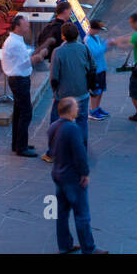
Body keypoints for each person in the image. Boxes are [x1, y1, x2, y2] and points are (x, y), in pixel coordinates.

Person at [49, 97, 105, 253]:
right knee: (82, 215)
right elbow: (80, 154)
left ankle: (64, 245)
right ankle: (89, 248)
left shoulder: (53, 126)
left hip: (58, 173)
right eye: (76, 107)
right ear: (69, 110)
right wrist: (84, 173)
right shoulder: (72, 129)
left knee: (61, 213)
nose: (78, 110)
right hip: (72, 177)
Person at [1, 15, 46, 157]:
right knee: (26, 113)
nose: (28, 28)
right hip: (19, 80)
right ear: (18, 27)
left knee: (19, 112)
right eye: (26, 26)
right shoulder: (14, 43)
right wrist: (41, 55)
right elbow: (28, 61)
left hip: (18, 78)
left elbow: (27, 54)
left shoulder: (16, 40)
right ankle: (21, 147)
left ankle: (18, 144)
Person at [49, 22, 93, 156]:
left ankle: (53, 151)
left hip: (63, 95)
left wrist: (55, 92)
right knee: (82, 122)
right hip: (82, 92)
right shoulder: (84, 49)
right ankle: (81, 149)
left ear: (63, 36)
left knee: (56, 121)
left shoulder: (58, 52)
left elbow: (54, 76)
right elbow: (93, 66)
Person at [106, 12, 137, 123]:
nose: (131, 26)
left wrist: (116, 43)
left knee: (135, 91)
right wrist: (119, 36)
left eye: (131, 23)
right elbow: (131, 37)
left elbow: (127, 46)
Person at [84, 20, 110, 120]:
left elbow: (102, 49)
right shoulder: (88, 39)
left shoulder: (97, 37)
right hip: (95, 70)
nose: (99, 32)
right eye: (98, 30)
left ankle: (97, 107)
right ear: (94, 29)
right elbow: (95, 53)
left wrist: (108, 45)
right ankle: (93, 110)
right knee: (95, 91)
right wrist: (106, 45)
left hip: (101, 67)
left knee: (101, 89)